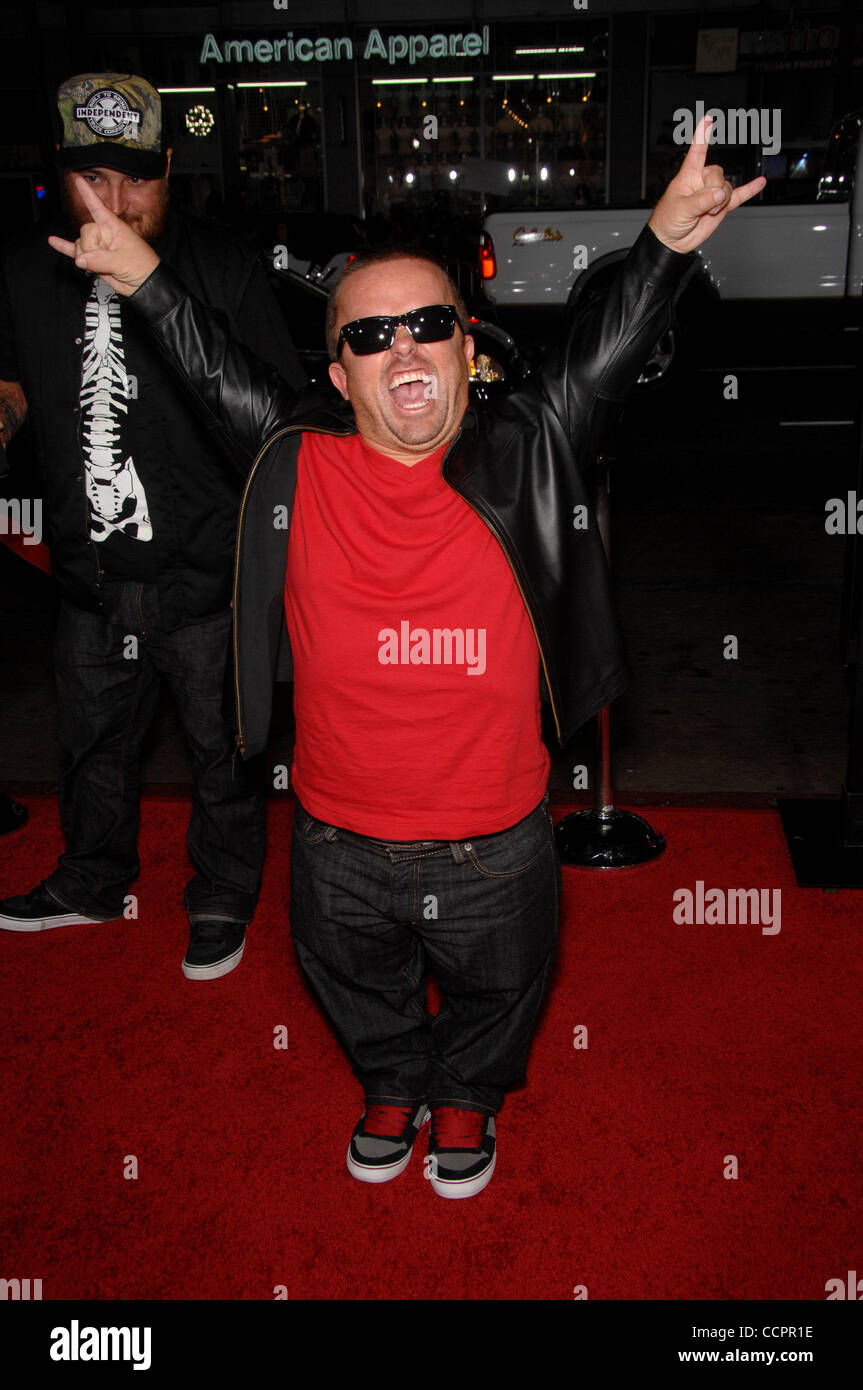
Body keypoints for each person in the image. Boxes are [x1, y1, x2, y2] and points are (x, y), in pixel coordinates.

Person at [47, 117, 764, 1194]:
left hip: (496, 843)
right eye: (369, 336)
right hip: (336, 834)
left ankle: (468, 1097)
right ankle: (390, 1079)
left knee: (500, 991)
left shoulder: (530, 444)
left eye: (429, 324)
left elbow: (603, 353)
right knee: (351, 982)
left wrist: (664, 240)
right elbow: (210, 365)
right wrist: (140, 268)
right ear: (336, 373)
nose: (404, 351)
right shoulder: (301, 454)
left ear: (468, 345)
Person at [0, 72, 306, 979]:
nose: (116, 202)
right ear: (60, 173)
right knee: (91, 745)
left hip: (208, 577)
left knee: (226, 754)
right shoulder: (24, 273)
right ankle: (92, 878)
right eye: (93, 176)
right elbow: (12, 388)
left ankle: (221, 891)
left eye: (138, 177)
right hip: (89, 580)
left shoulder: (222, 267)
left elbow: (276, 415)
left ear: (171, 166)